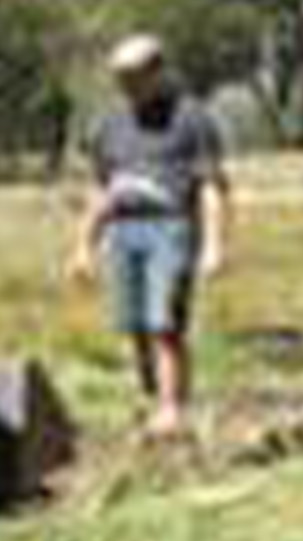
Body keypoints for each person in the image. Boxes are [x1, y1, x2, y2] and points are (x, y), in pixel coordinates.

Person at [71, 31, 233, 437]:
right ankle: (151, 399)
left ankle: (172, 409)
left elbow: (211, 187)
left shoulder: (192, 119)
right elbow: (100, 190)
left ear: (159, 72)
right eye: (120, 77)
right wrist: (84, 246)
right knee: (135, 324)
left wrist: (214, 245)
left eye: (135, 76)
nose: (126, 85)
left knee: (165, 323)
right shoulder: (108, 124)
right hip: (123, 228)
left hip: (170, 226)